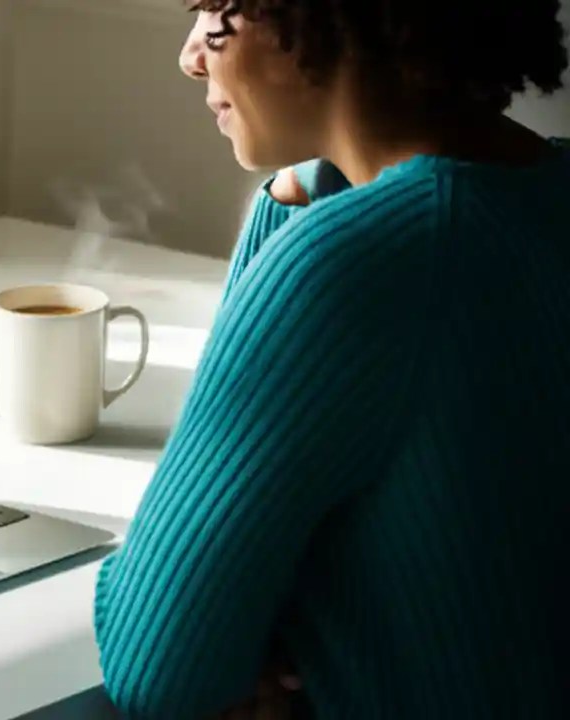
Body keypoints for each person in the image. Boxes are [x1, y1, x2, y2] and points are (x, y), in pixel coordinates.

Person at [93, 1, 570, 718]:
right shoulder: (535, 197)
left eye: (211, 9)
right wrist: (295, 194)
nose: (192, 56)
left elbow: (156, 668)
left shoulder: (354, 264)